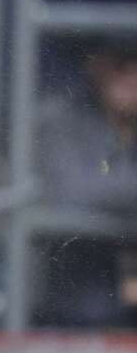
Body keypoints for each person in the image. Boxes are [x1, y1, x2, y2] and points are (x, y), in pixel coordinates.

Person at [31, 34, 137, 328]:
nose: (131, 75)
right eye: (120, 64)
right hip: (69, 308)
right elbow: (76, 190)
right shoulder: (57, 119)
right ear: (96, 66)